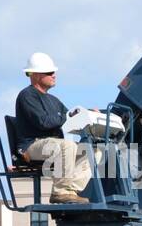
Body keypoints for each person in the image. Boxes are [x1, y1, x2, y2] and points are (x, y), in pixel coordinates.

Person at [13, 52, 96, 205]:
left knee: (95, 150)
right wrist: (66, 116)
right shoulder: (27, 96)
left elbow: (70, 116)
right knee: (67, 146)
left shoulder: (54, 100)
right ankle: (60, 191)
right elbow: (43, 122)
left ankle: (70, 189)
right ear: (37, 75)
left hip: (52, 145)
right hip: (32, 145)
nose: (54, 75)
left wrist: (89, 113)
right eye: (50, 72)